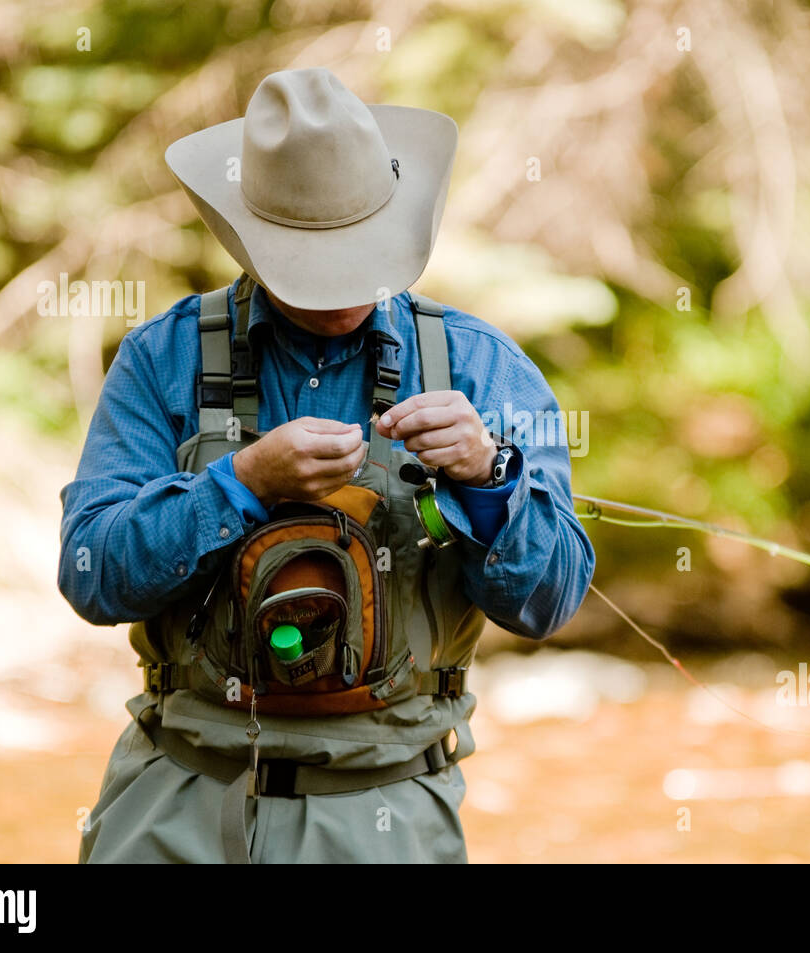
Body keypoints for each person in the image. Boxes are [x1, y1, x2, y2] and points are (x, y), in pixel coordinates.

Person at [57, 67, 594, 863]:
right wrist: (239, 486)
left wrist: (488, 479)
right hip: (177, 801)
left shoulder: (478, 367)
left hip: (385, 812)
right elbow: (89, 570)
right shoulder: (160, 359)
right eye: (313, 258)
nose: (342, 284)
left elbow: (551, 602)